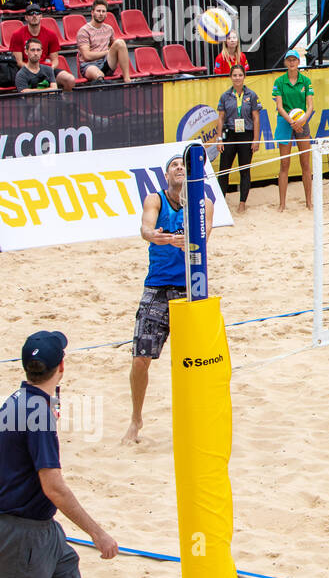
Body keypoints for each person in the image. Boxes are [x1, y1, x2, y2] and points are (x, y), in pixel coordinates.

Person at [0, 331, 118, 578]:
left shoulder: (14, 401)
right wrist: (97, 533)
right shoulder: (38, 412)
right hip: (24, 536)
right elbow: (54, 488)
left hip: (43, 528)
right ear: (61, 366)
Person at [124, 154, 214, 443]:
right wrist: (154, 235)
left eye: (184, 166)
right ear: (166, 175)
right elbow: (145, 228)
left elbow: (204, 234)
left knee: (199, 361)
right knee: (140, 359)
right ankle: (136, 420)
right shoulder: (156, 199)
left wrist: (187, 235)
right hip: (158, 287)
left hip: (192, 288)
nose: (179, 168)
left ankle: (200, 419)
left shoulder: (204, 203)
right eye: (174, 165)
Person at [216, 64, 262, 214]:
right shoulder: (224, 96)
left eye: (240, 75)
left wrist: (256, 139)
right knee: (224, 170)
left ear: (244, 77)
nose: (237, 78)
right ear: (231, 77)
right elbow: (221, 118)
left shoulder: (252, 95)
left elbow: (256, 118)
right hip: (230, 134)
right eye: (234, 75)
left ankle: (242, 203)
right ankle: (221, 202)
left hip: (246, 134)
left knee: (244, 170)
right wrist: (219, 139)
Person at [272, 49, 314, 211]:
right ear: (285, 62)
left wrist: (302, 120)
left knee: (305, 163)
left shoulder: (305, 81)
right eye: (289, 60)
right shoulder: (279, 81)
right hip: (285, 121)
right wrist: (292, 121)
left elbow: (310, 106)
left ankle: (309, 202)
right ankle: (282, 203)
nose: (291, 62)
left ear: (298, 62)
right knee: (284, 164)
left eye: (294, 60)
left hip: (302, 121)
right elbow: (279, 106)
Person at [76, 0, 134, 83]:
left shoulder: (109, 29)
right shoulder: (84, 31)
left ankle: (127, 79)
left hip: (106, 62)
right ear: (92, 12)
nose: (101, 14)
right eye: (98, 11)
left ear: (106, 14)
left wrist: (109, 52)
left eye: (103, 11)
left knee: (120, 42)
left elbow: (114, 47)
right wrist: (106, 52)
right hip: (89, 65)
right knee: (98, 75)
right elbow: (87, 56)